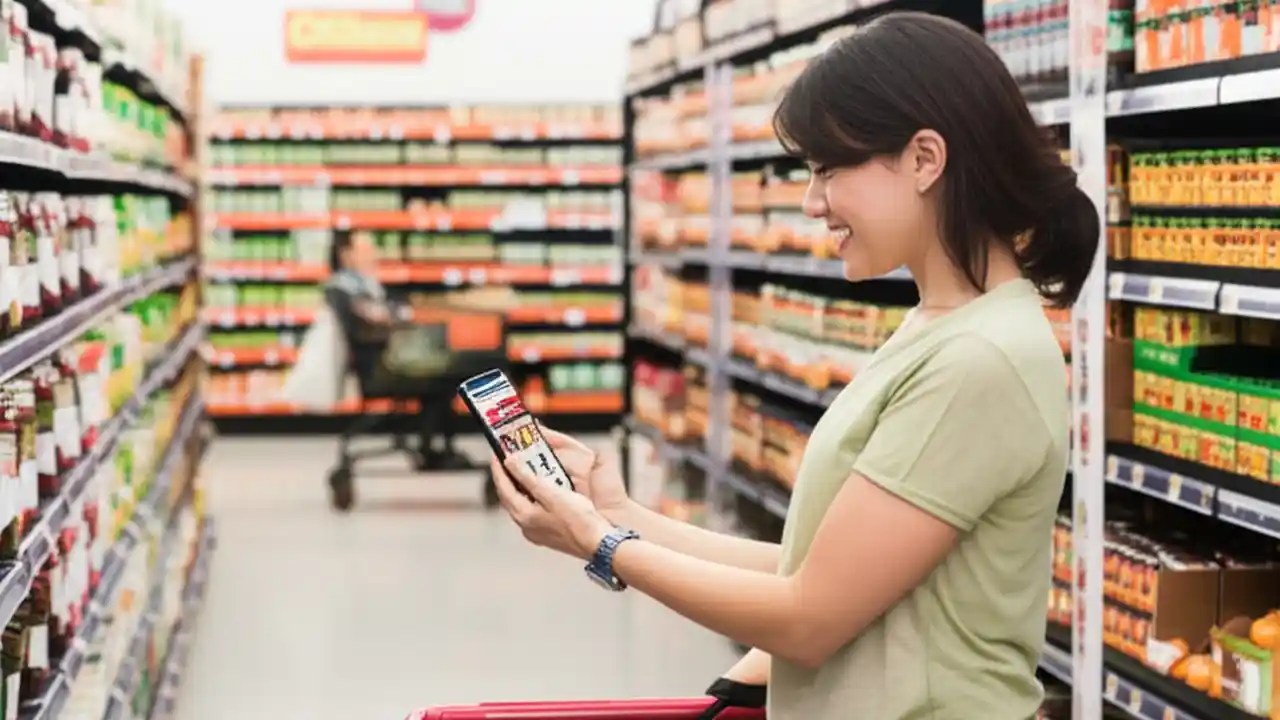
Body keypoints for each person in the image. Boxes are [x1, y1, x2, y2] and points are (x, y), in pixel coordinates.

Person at [487, 12, 1100, 720]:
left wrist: (601, 546)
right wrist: (622, 517)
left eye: (826, 170)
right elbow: (814, 574)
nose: (811, 203)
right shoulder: (940, 326)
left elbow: (808, 620)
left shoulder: (981, 360)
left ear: (926, 159)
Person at [325, 231, 466, 469]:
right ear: (346, 255)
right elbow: (376, 317)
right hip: (382, 369)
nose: (374, 255)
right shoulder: (344, 288)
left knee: (445, 377)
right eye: (366, 250)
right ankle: (436, 449)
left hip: (389, 363)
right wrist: (401, 316)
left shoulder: (364, 284)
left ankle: (432, 446)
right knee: (450, 374)